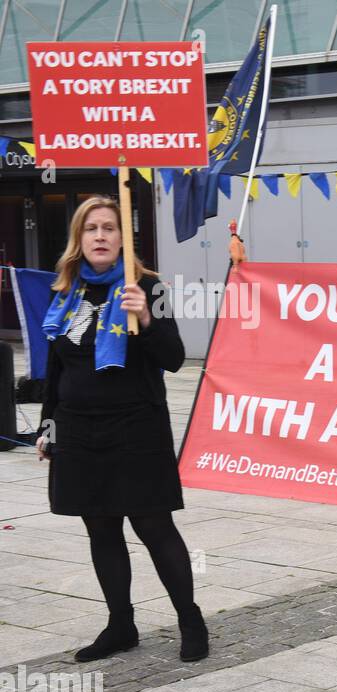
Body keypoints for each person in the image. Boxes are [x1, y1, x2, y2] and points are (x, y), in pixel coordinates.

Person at [35, 195, 209, 663]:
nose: (100, 236)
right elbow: (57, 366)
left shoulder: (145, 286)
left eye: (109, 228)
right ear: (79, 238)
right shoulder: (65, 291)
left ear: (123, 237)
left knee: (153, 526)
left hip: (136, 429)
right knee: (101, 529)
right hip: (77, 430)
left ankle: (190, 620)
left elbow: (173, 359)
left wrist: (147, 318)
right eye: (91, 228)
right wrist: (48, 426)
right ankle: (120, 624)